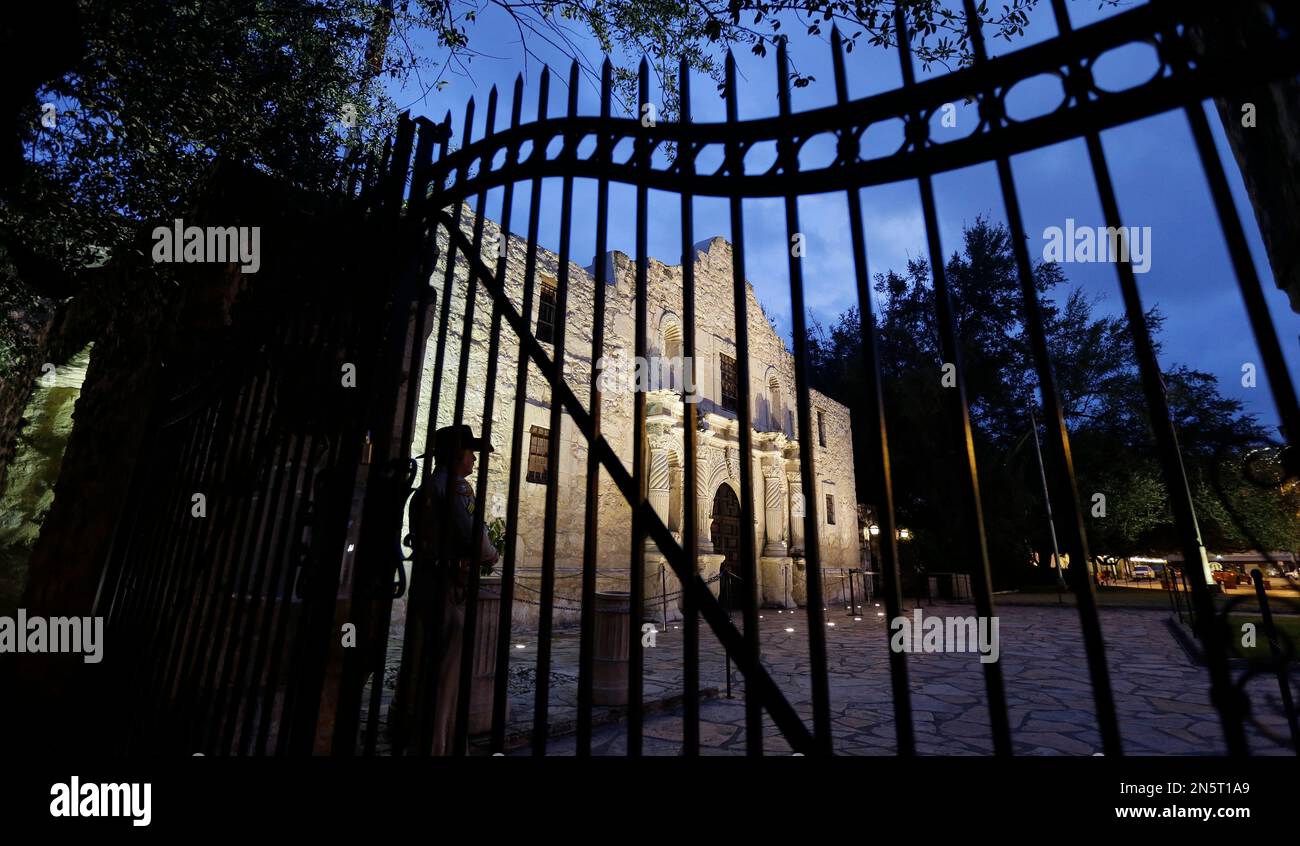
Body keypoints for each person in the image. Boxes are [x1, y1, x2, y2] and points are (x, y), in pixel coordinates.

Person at [403, 424, 498, 755]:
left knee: (433, 669)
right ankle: (439, 746)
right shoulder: (457, 490)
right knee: (447, 678)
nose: (473, 459)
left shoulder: (426, 489)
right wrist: (492, 553)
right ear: (457, 456)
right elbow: (477, 540)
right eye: (470, 453)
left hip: (428, 583)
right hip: (449, 587)